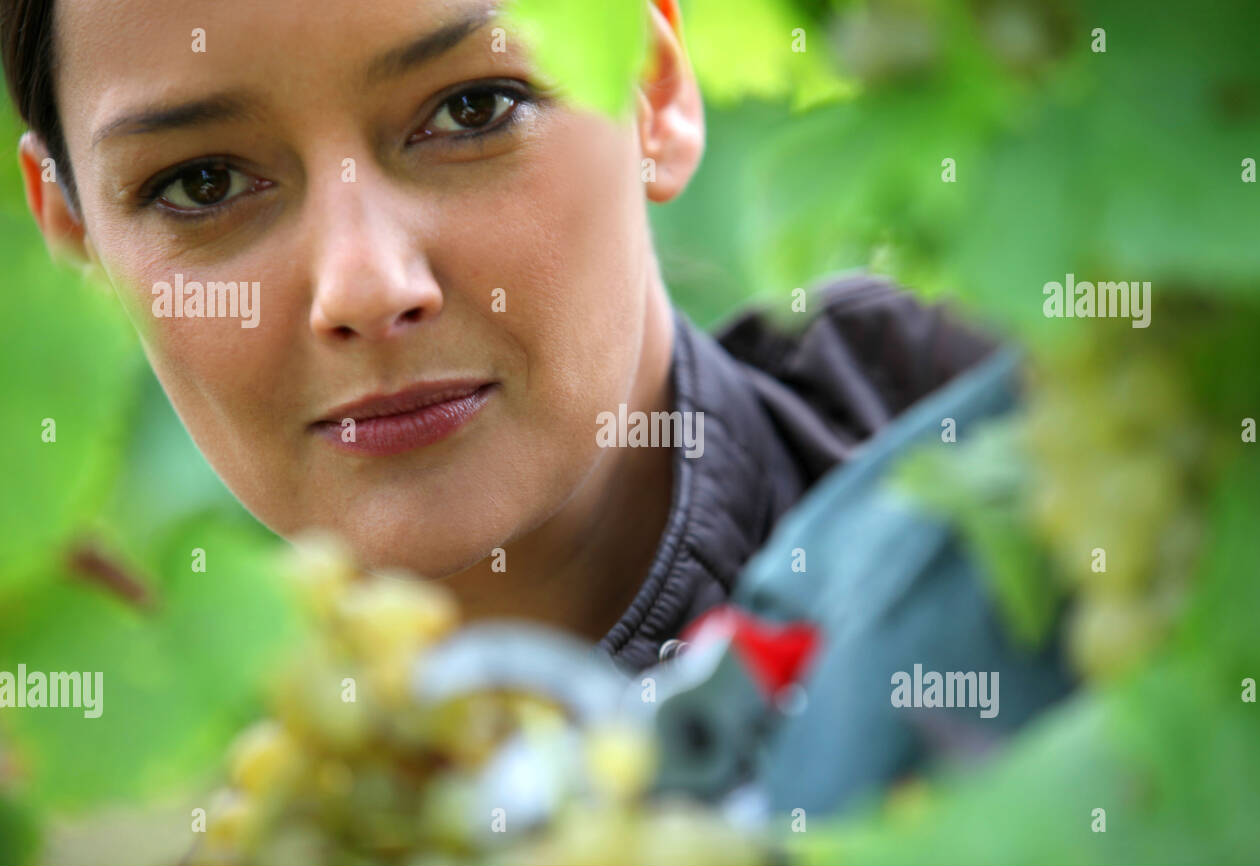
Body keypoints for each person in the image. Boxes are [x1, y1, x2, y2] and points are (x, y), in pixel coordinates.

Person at [3, 0, 995, 672]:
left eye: (471, 109)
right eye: (202, 184)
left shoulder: (1035, 435)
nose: (367, 285)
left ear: (652, 88)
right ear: (75, 234)